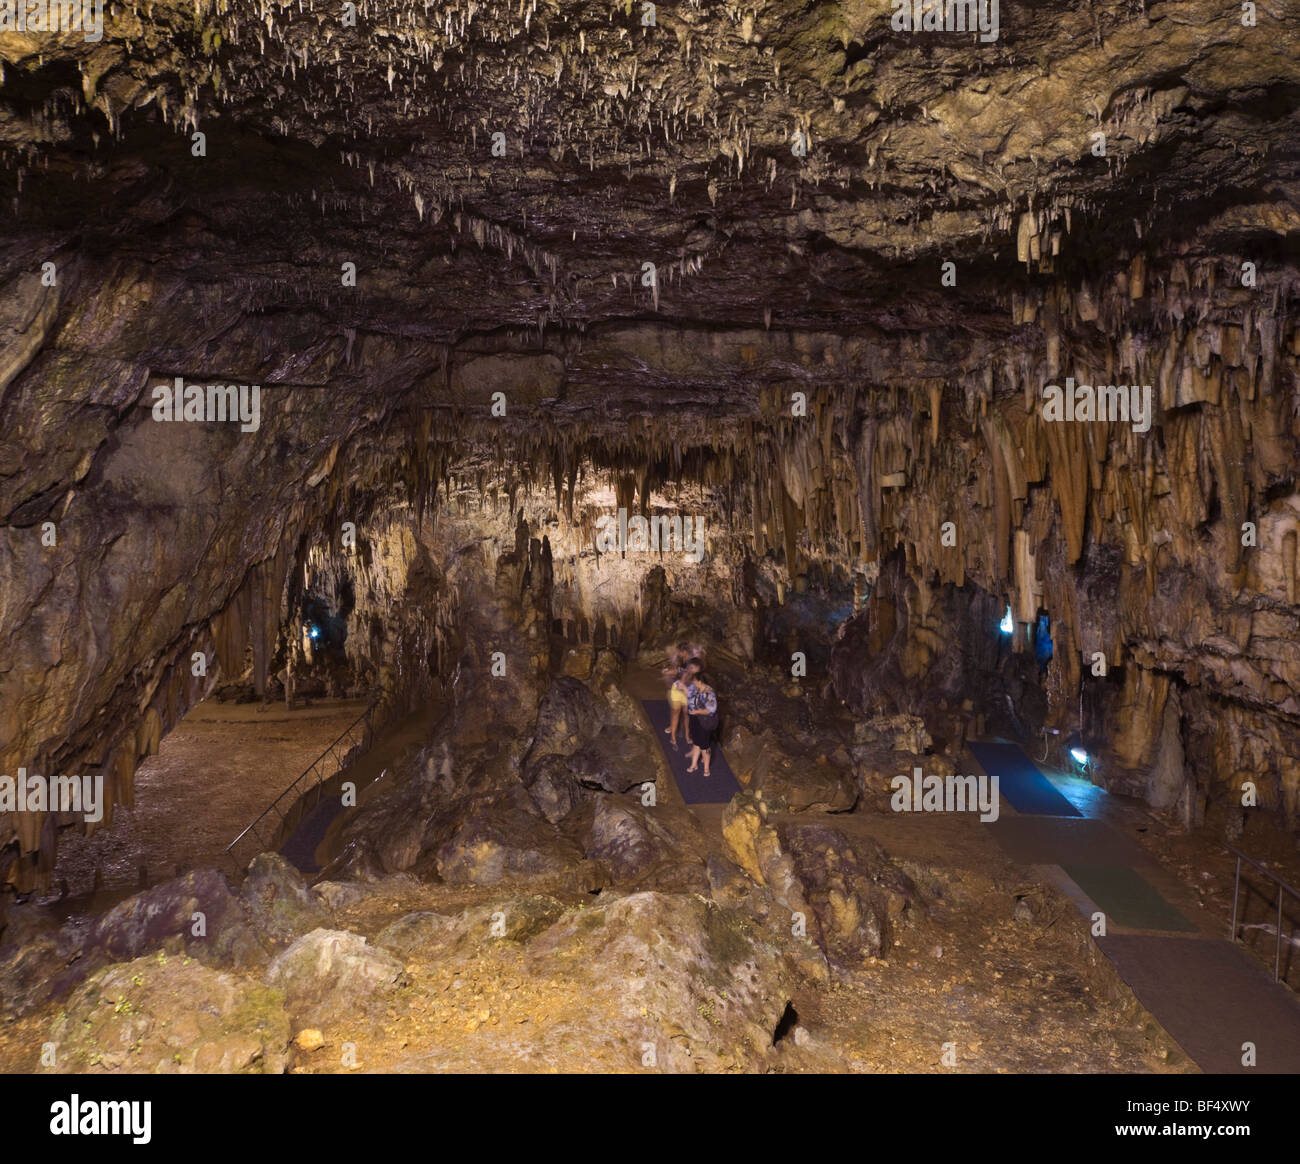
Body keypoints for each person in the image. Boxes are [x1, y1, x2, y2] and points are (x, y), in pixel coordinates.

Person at [684, 659, 718, 778]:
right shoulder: (695, 688)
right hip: (694, 719)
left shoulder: (709, 692)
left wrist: (697, 711)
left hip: (704, 722)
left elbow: (711, 709)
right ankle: (694, 764)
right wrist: (683, 687)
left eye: (694, 681)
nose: (692, 683)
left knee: (704, 745)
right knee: (696, 743)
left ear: (699, 681)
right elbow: (689, 696)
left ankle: (706, 768)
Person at [664, 665, 689, 749]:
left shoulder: (696, 664)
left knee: (687, 714)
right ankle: (673, 736)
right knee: (676, 713)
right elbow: (668, 672)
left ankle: (687, 735)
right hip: (677, 691)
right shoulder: (681, 665)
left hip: (688, 689)